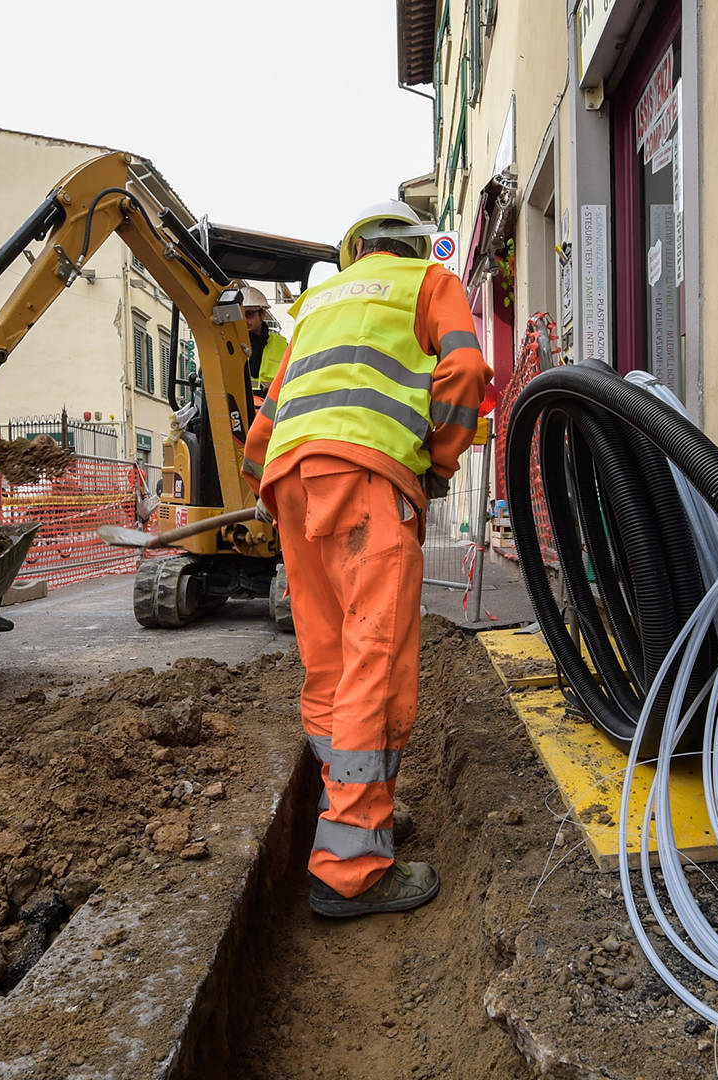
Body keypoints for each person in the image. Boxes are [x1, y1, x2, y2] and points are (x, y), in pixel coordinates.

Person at [241, 200, 489, 917]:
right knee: (373, 667)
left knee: (330, 664)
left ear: (353, 249)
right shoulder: (427, 283)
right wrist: (438, 464)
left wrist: (266, 481)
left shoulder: (317, 304)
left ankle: (353, 811)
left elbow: (271, 410)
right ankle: (350, 868)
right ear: (413, 246)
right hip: (370, 480)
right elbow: (466, 371)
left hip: (292, 481)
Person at [240, 285, 288, 405]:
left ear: (263, 314)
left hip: (272, 408)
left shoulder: (282, 346)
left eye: (249, 314)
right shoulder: (230, 343)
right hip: (239, 406)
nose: (244, 320)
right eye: (240, 315)